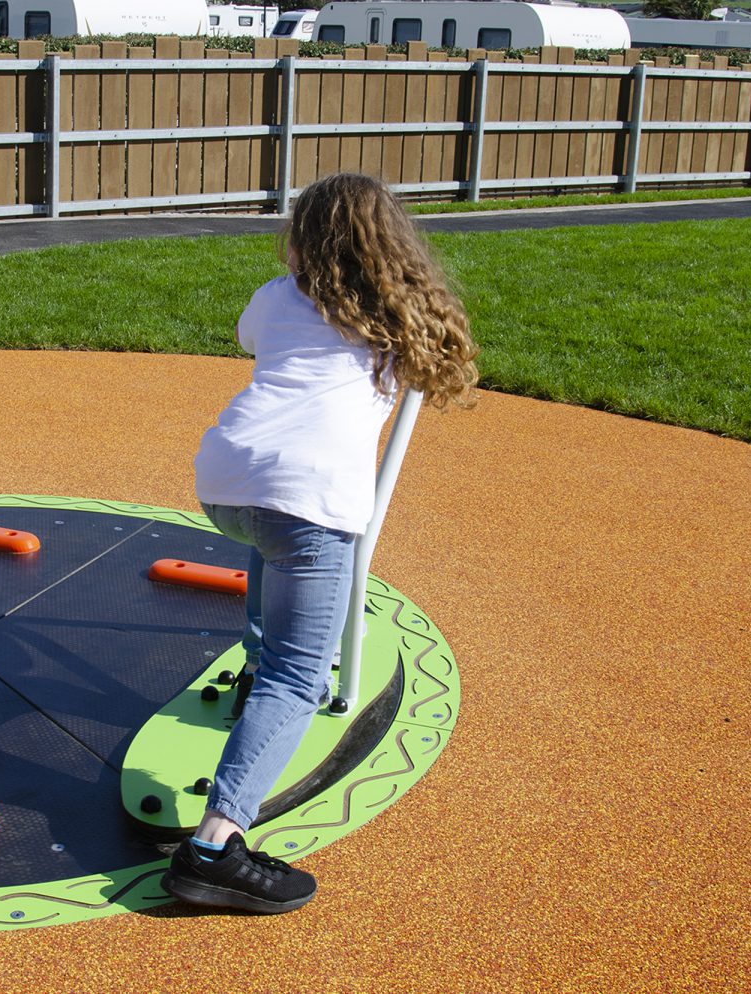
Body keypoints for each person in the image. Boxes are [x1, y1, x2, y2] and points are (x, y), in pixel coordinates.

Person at [161, 172, 479, 914]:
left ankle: (254, 670)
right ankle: (214, 845)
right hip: (309, 500)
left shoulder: (276, 299)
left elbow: (251, 338)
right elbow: (444, 358)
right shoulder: (396, 314)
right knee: (298, 679)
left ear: (304, 238)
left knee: (268, 544)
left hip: (224, 481)